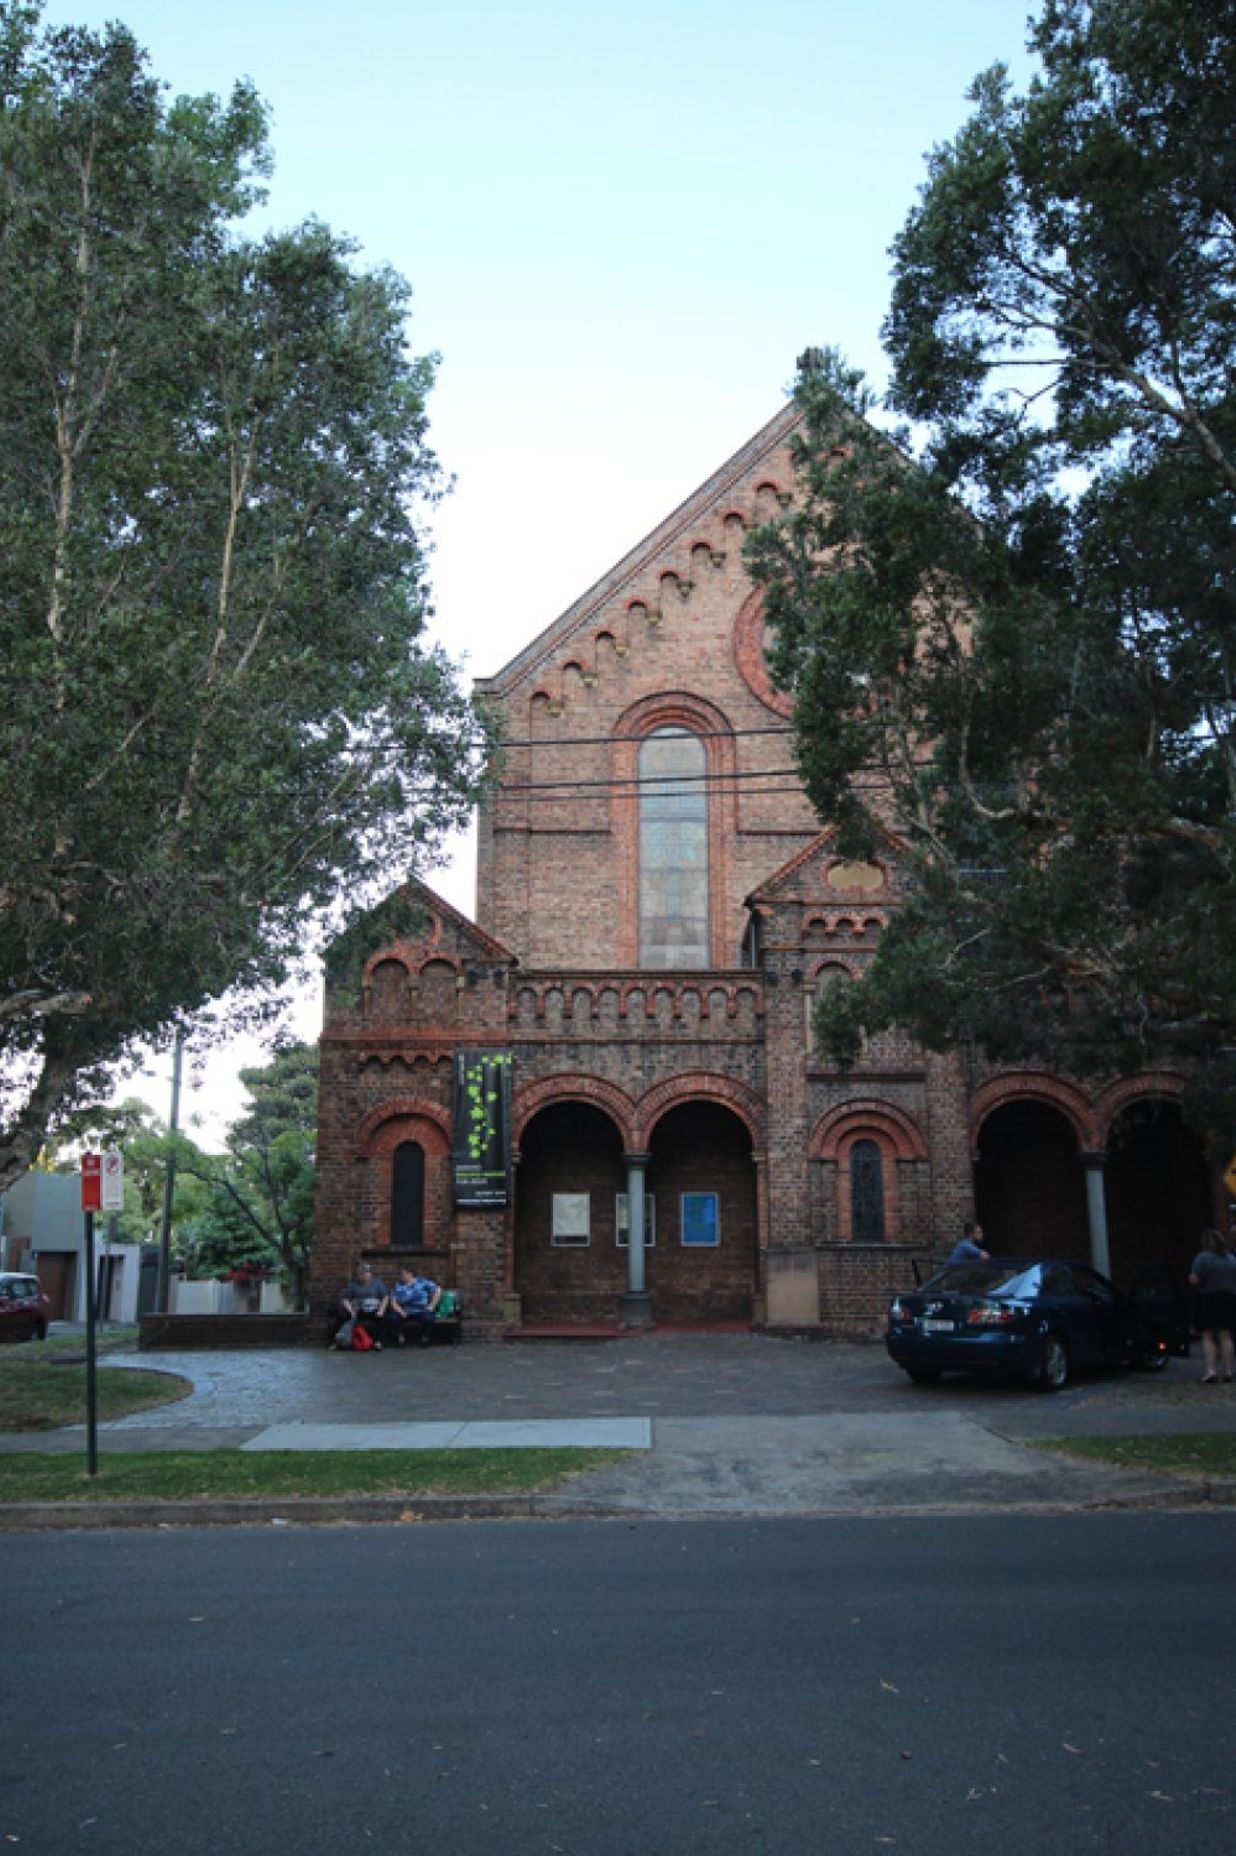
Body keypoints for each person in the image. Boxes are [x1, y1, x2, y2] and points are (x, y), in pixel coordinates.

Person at [1187, 1228, 1236, 1384]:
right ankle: (1228, 1371)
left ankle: (1211, 1372)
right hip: (1228, 1299)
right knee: (1225, 1336)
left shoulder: (1202, 1258)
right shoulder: (1230, 1258)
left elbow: (1194, 1280)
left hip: (1207, 1299)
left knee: (1207, 1336)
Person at [333, 1263, 389, 1349]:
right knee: (342, 1317)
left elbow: (385, 1297)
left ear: (370, 1274)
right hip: (358, 1309)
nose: (363, 1277)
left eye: (366, 1274)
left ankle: (379, 1342)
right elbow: (345, 1299)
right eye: (361, 1274)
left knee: (382, 1319)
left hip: (373, 1309)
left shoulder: (377, 1283)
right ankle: (338, 1342)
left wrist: (381, 1311)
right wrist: (351, 1311)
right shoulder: (353, 1285)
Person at [387, 1264, 443, 1346]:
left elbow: (438, 1289)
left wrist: (432, 1305)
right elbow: (393, 1301)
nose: (401, 1276)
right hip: (404, 1310)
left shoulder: (422, 1282)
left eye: (403, 1274)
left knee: (429, 1319)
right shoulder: (398, 1285)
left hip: (421, 1310)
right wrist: (400, 1311)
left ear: (410, 1274)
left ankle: (425, 1336)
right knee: (392, 1318)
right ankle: (400, 1337)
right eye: (401, 1274)